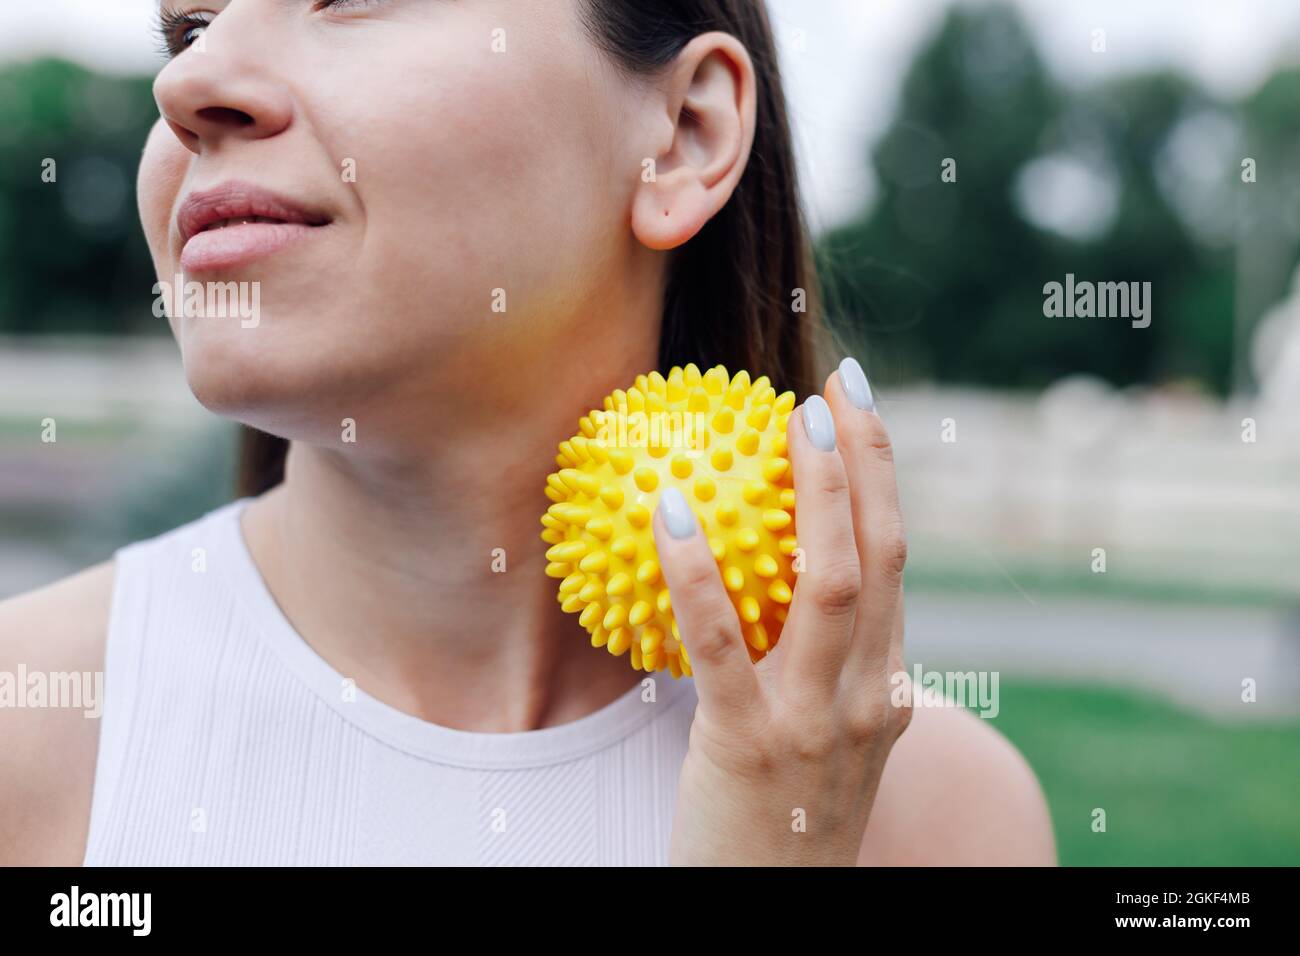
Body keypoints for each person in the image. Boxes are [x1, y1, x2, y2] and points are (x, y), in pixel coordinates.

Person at [0, 0, 1055, 866]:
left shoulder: (940, 819)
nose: (188, 84)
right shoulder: (20, 726)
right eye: (186, 29)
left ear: (685, 133)